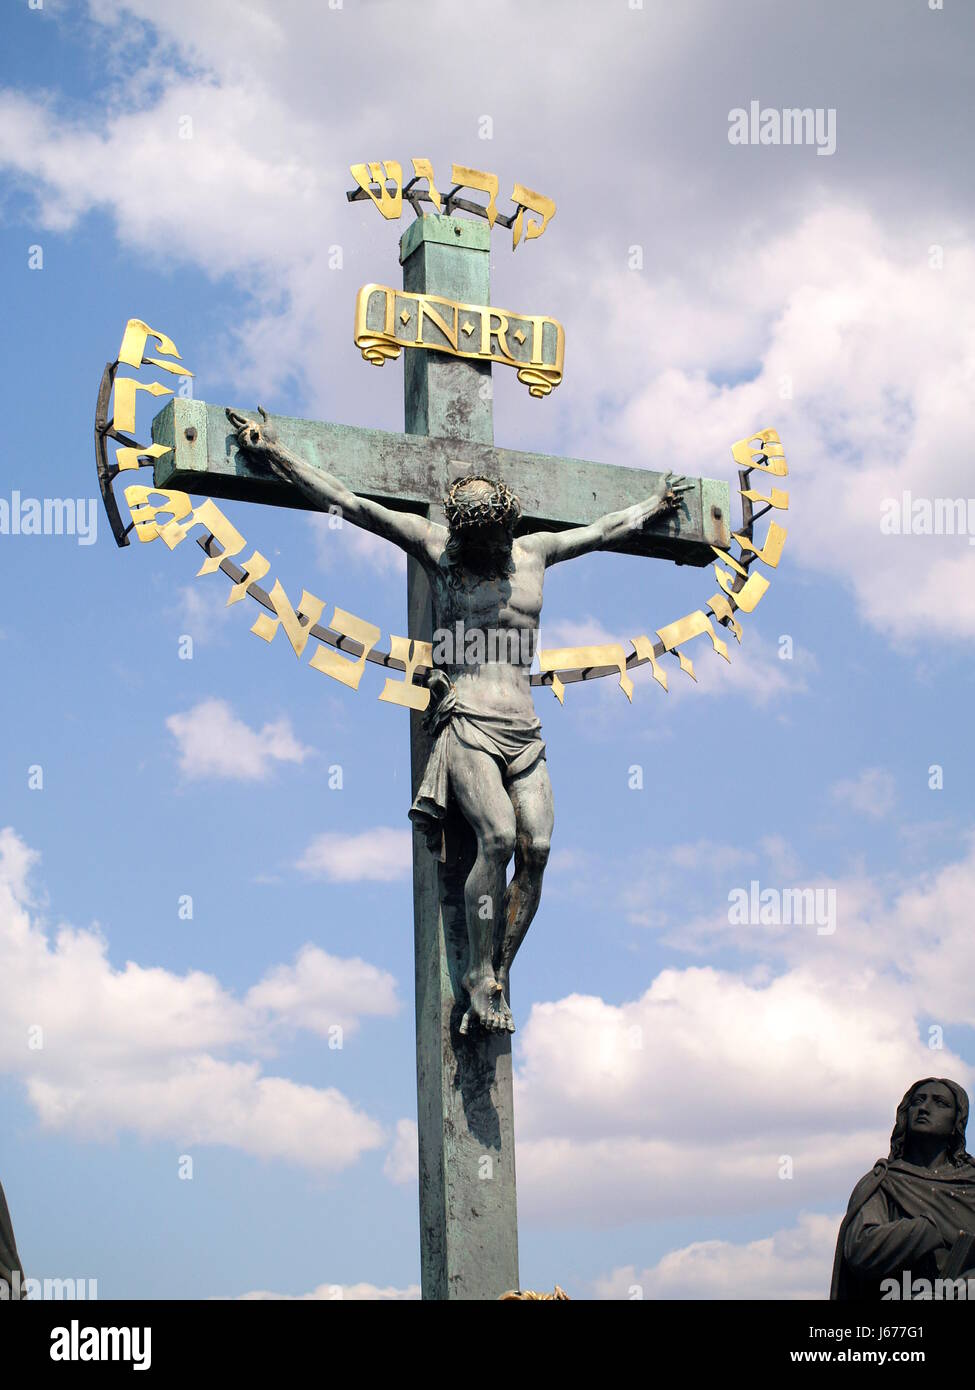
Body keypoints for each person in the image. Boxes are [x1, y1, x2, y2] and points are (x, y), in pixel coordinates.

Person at [229, 407, 689, 1034]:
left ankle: (493, 970)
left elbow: (605, 529)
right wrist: (275, 453)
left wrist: (655, 505)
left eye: (497, 541)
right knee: (497, 838)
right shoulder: (439, 551)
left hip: (524, 729)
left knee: (537, 849)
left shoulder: (534, 553)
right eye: (479, 544)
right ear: (463, 535)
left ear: (508, 525)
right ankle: (478, 975)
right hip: (468, 719)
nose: (490, 552)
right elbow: (352, 503)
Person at [831, 1077, 975, 1299]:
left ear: (957, 1121)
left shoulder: (970, 1184)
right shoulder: (885, 1182)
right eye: (917, 1101)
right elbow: (860, 1248)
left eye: (940, 1103)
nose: (924, 1108)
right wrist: (924, 1230)